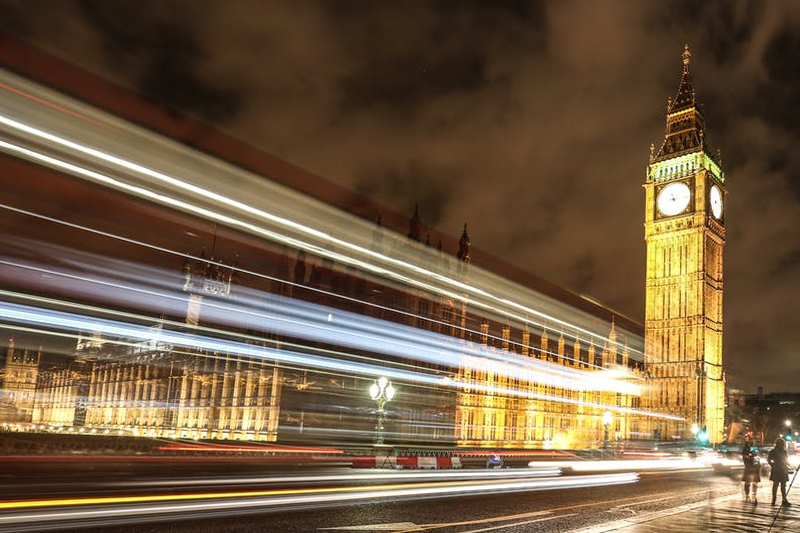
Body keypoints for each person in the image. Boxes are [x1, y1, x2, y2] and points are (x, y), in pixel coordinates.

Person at [767, 437, 792, 506]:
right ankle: (774, 500)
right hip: (778, 470)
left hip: (782, 470)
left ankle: (783, 499)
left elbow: (786, 459)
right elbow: (769, 460)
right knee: (777, 485)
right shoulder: (774, 451)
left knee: (781, 486)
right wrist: (774, 465)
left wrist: (788, 465)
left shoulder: (783, 451)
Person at [741, 435, 761, 503]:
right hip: (749, 467)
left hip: (755, 467)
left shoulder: (755, 448)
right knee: (747, 482)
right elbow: (744, 456)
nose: (752, 441)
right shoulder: (746, 448)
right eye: (751, 440)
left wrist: (757, 461)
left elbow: (758, 456)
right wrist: (749, 455)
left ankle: (754, 495)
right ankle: (747, 496)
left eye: (753, 440)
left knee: (755, 483)